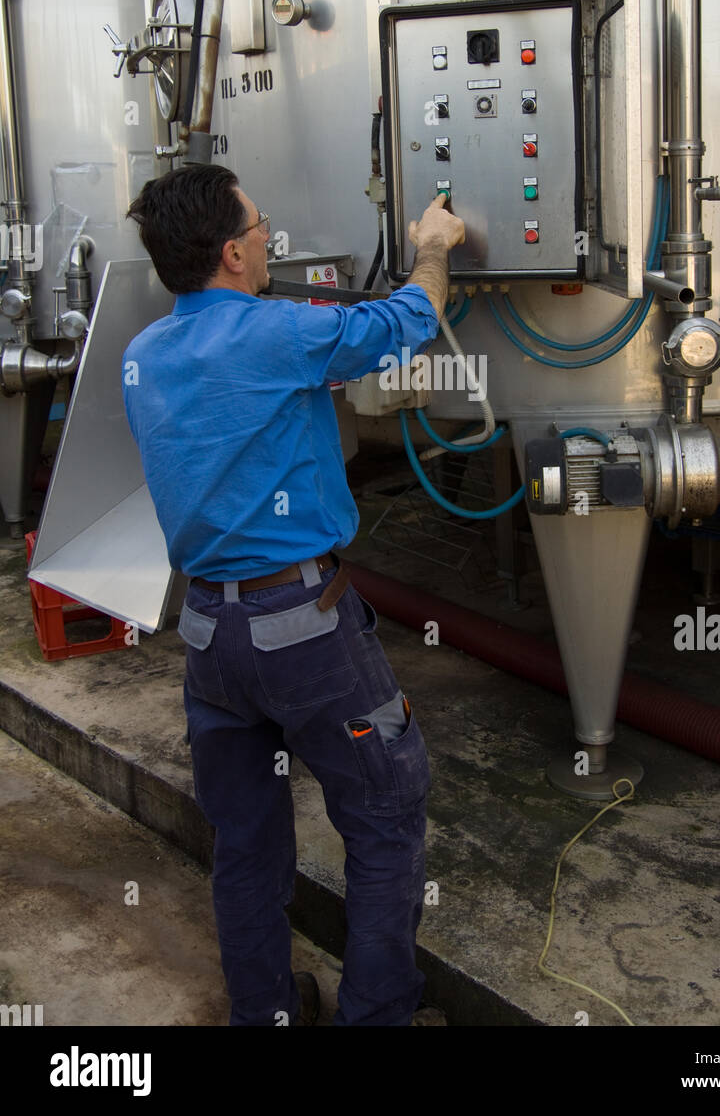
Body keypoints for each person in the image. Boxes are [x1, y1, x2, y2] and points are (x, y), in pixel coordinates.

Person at [122, 163, 465, 1026]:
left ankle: (265, 1012)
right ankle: (379, 1013)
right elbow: (408, 320)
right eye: (261, 224)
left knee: (244, 841)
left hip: (205, 630)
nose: (271, 234)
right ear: (234, 251)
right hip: (301, 628)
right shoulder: (276, 334)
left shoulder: (143, 356)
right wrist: (432, 248)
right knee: (387, 811)